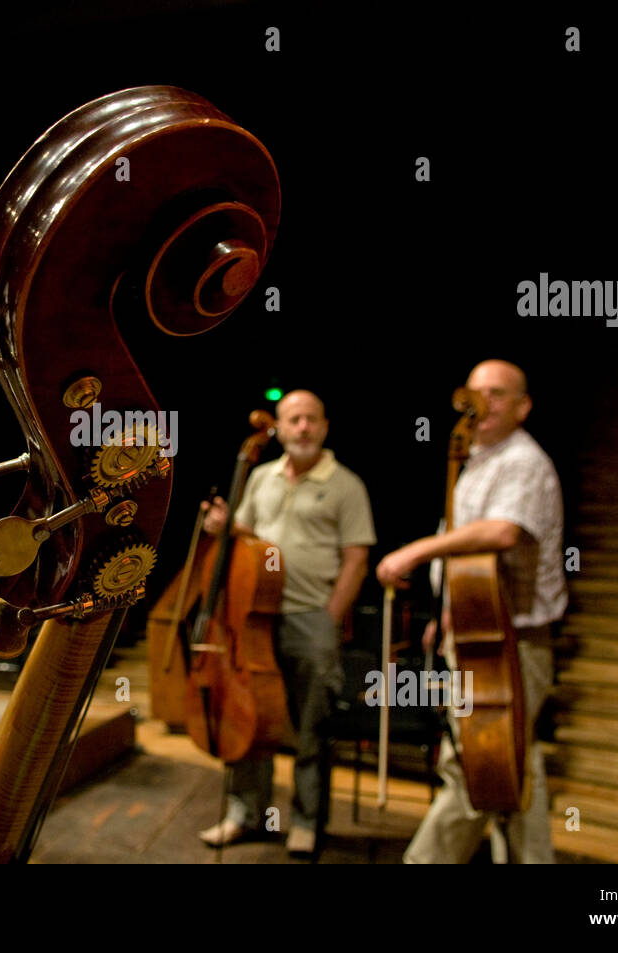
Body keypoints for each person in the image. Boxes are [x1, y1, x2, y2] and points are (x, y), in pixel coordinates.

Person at [375, 359, 566, 864]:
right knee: (511, 765)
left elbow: (503, 533)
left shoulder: (521, 461)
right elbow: (472, 563)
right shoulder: (477, 461)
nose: (482, 403)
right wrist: (449, 616)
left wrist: (416, 551)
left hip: (515, 642)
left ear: (524, 407)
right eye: (474, 393)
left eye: (498, 394)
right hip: (481, 633)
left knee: (483, 764)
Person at [197, 390, 376, 855]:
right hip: (254, 617)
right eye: (294, 419)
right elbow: (249, 537)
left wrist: (330, 619)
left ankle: (305, 821)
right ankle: (245, 813)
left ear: (324, 426)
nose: (302, 427)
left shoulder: (346, 484)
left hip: (310, 617)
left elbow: (356, 559)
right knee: (247, 717)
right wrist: (223, 525)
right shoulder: (260, 476)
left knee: (311, 726)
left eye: (311, 419)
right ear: (279, 425)